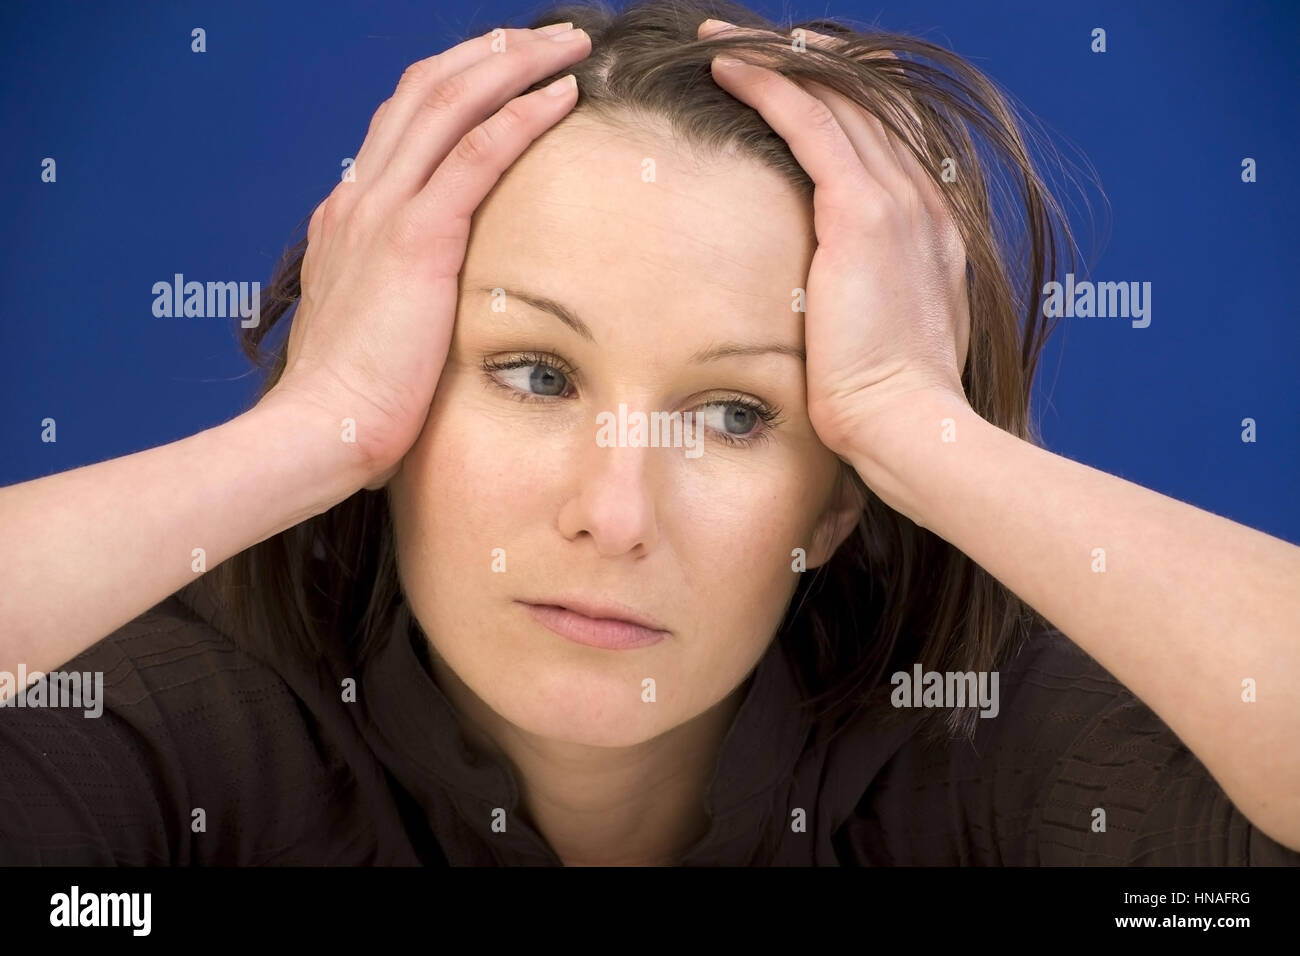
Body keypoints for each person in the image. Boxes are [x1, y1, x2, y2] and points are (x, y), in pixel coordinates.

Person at [1, 0, 1297, 866]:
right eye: (532, 373)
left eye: (737, 413)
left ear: (837, 494)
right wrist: (315, 430)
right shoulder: (172, 742)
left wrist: (920, 427)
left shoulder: (977, 752)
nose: (613, 515)